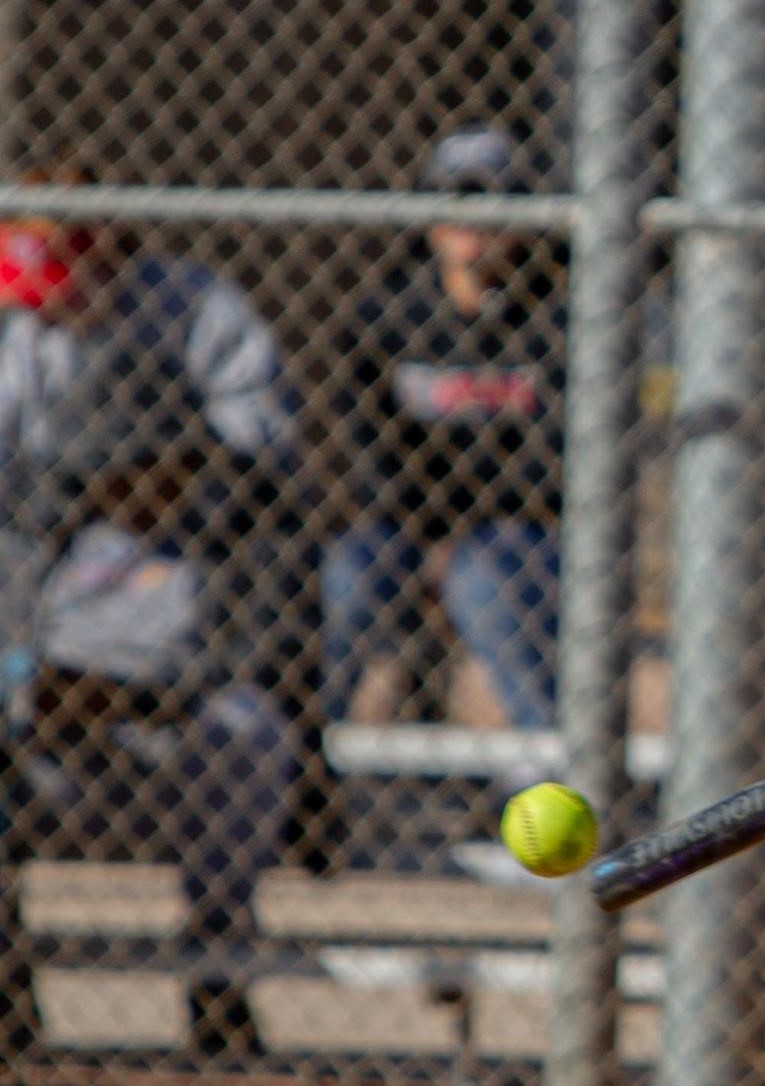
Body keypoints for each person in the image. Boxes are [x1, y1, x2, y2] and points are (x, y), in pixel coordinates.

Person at [0, 166, 303, 942]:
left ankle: (218, 965)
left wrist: (135, 693)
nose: (116, 473)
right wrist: (37, 686)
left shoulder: (219, 541)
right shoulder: (44, 542)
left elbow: (241, 654)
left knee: (247, 727)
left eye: (135, 453)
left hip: (168, 751)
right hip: (54, 759)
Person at [322, 126, 564, 731]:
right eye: (454, 201)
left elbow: (552, 466)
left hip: (521, 533)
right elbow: (368, 452)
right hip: (406, 531)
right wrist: (425, 536)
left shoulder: (559, 315)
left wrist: (458, 543)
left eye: (489, 202)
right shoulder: (387, 314)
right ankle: (305, 764)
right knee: (351, 574)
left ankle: (548, 767)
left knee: (483, 578)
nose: (471, 222)